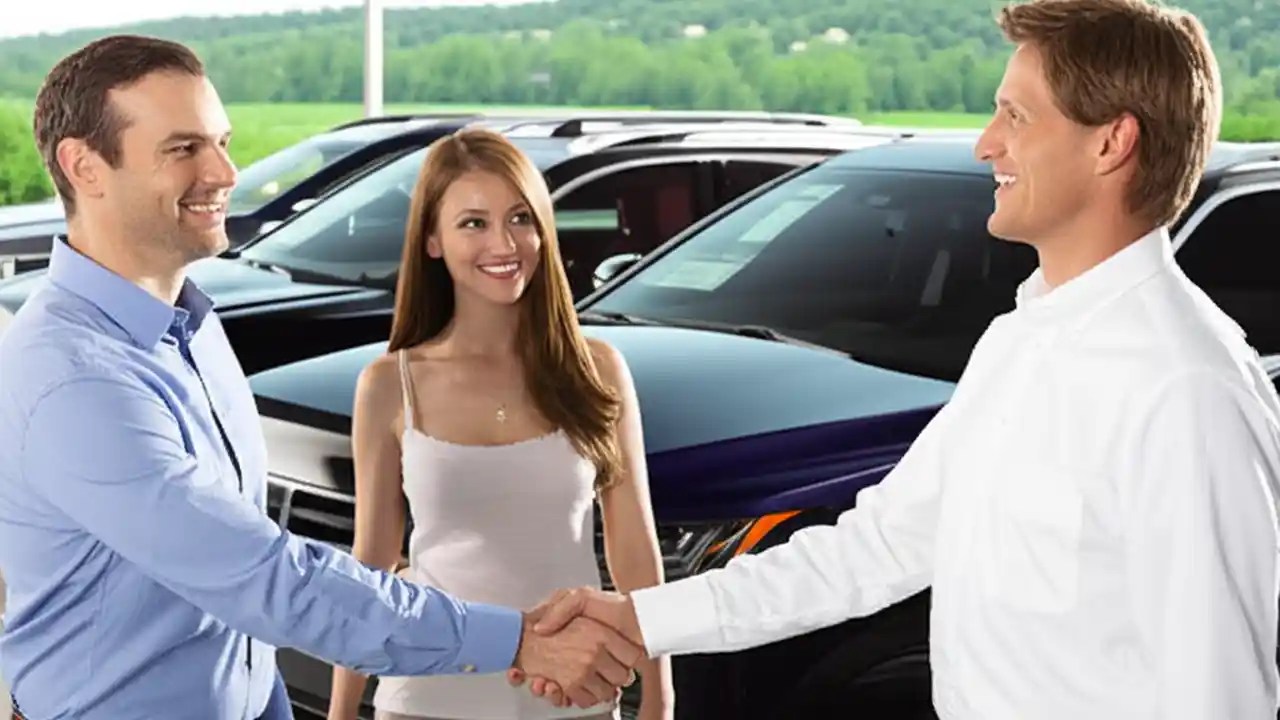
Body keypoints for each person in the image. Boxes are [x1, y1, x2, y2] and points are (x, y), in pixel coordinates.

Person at [518, 0, 1280, 717]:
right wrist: (638, 618)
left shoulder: (1187, 388)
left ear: (1111, 141)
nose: (988, 142)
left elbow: (1219, 695)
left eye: (1016, 114)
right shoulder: (1020, 338)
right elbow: (877, 548)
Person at [0, 35, 642, 720]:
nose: (225, 171)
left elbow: (238, 615)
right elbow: (268, 580)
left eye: (222, 141)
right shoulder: (72, 379)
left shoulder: (190, 330)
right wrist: (516, 640)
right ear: (84, 166)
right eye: (184, 149)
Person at [325, 128, 673, 720]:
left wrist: (659, 698)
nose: (504, 242)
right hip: (425, 700)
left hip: (575, 699)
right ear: (432, 240)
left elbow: (635, 552)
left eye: (519, 217)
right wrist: (340, 711)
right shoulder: (389, 386)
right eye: (473, 223)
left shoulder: (600, 372)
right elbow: (373, 566)